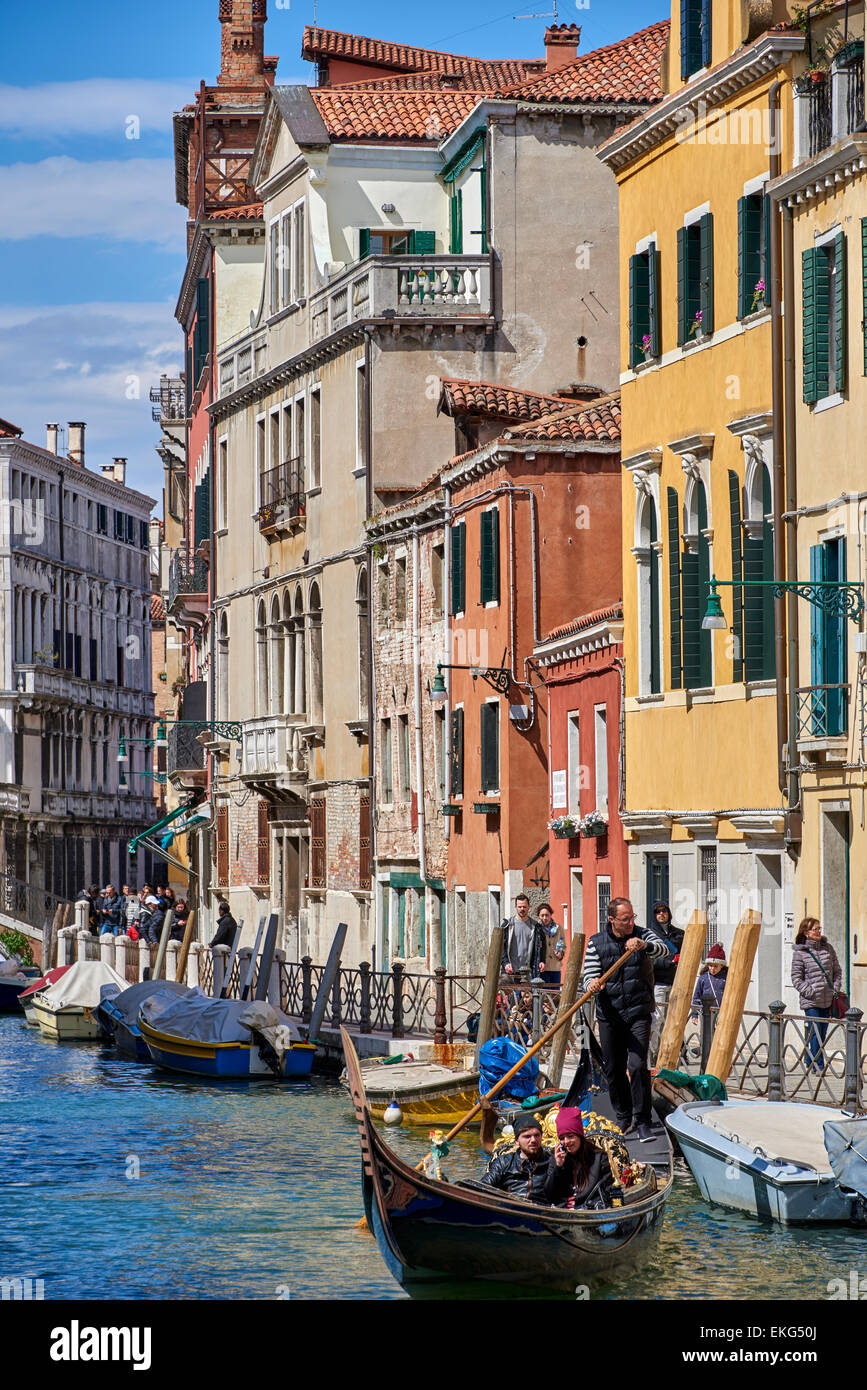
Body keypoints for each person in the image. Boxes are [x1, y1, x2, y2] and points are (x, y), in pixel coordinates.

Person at [583, 896, 669, 1142]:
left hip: (639, 1013)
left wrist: (642, 944)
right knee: (613, 1068)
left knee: (637, 1065)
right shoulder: (596, 943)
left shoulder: (643, 935)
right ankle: (623, 1116)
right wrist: (593, 983)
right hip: (609, 1015)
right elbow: (589, 974)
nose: (630, 922)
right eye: (625, 919)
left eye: (632, 917)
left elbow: (664, 949)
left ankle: (642, 1120)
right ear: (612, 920)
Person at [791, 917, 843, 1074]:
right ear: (806, 932)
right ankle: (818, 1066)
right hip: (811, 1001)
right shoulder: (800, 953)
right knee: (815, 1032)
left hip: (827, 999)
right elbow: (796, 978)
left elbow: (837, 971)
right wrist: (810, 991)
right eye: (816, 929)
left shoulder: (828, 948)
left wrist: (835, 987)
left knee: (822, 1033)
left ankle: (809, 1059)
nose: (819, 931)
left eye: (820, 928)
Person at [544, 1106, 617, 1209]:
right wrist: (558, 1167)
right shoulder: (556, 1157)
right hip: (562, 1212)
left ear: (579, 1135)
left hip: (589, 1210)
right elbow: (549, 1194)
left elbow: (607, 1190)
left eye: (570, 1136)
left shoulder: (599, 1157)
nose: (566, 1142)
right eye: (562, 1138)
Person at [479, 1114, 550, 1203]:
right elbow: (483, 1186)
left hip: (542, 1211)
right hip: (510, 1208)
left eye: (537, 1135)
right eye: (527, 1136)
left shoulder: (551, 1162)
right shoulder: (504, 1162)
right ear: (517, 1141)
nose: (533, 1140)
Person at [649, 902, 684, 1063]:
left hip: (677, 981)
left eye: (664, 911)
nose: (661, 914)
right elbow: (648, 961)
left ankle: (675, 1052)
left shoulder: (679, 934)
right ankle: (653, 1053)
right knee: (657, 1017)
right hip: (659, 982)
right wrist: (668, 962)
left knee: (675, 1017)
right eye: (658, 912)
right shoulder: (650, 935)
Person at [501, 893, 546, 979]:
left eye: (524, 907)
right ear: (516, 907)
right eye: (520, 907)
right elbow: (501, 947)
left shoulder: (536, 927)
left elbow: (542, 946)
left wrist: (542, 961)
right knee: (508, 992)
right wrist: (505, 963)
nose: (522, 909)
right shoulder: (507, 926)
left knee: (529, 993)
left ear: (529, 907)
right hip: (509, 971)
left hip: (529, 972)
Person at [690, 943, 728, 1016]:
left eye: (716, 966)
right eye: (710, 965)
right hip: (706, 1013)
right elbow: (696, 996)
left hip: (722, 1014)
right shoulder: (703, 978)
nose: (712, 969)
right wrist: (694, 1014)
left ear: (722, 965)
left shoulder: (726, 978)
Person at [538, 903, 566, 986]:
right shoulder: (537, 928)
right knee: (545, 995)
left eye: (547, 915)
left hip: (555, 967)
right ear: (539, 916)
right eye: (542, 915)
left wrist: (561, 954)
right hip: (543, 968)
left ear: (551, 915)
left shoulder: (558, 928)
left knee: (555, 994)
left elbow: (563, 944)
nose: (544, 918)